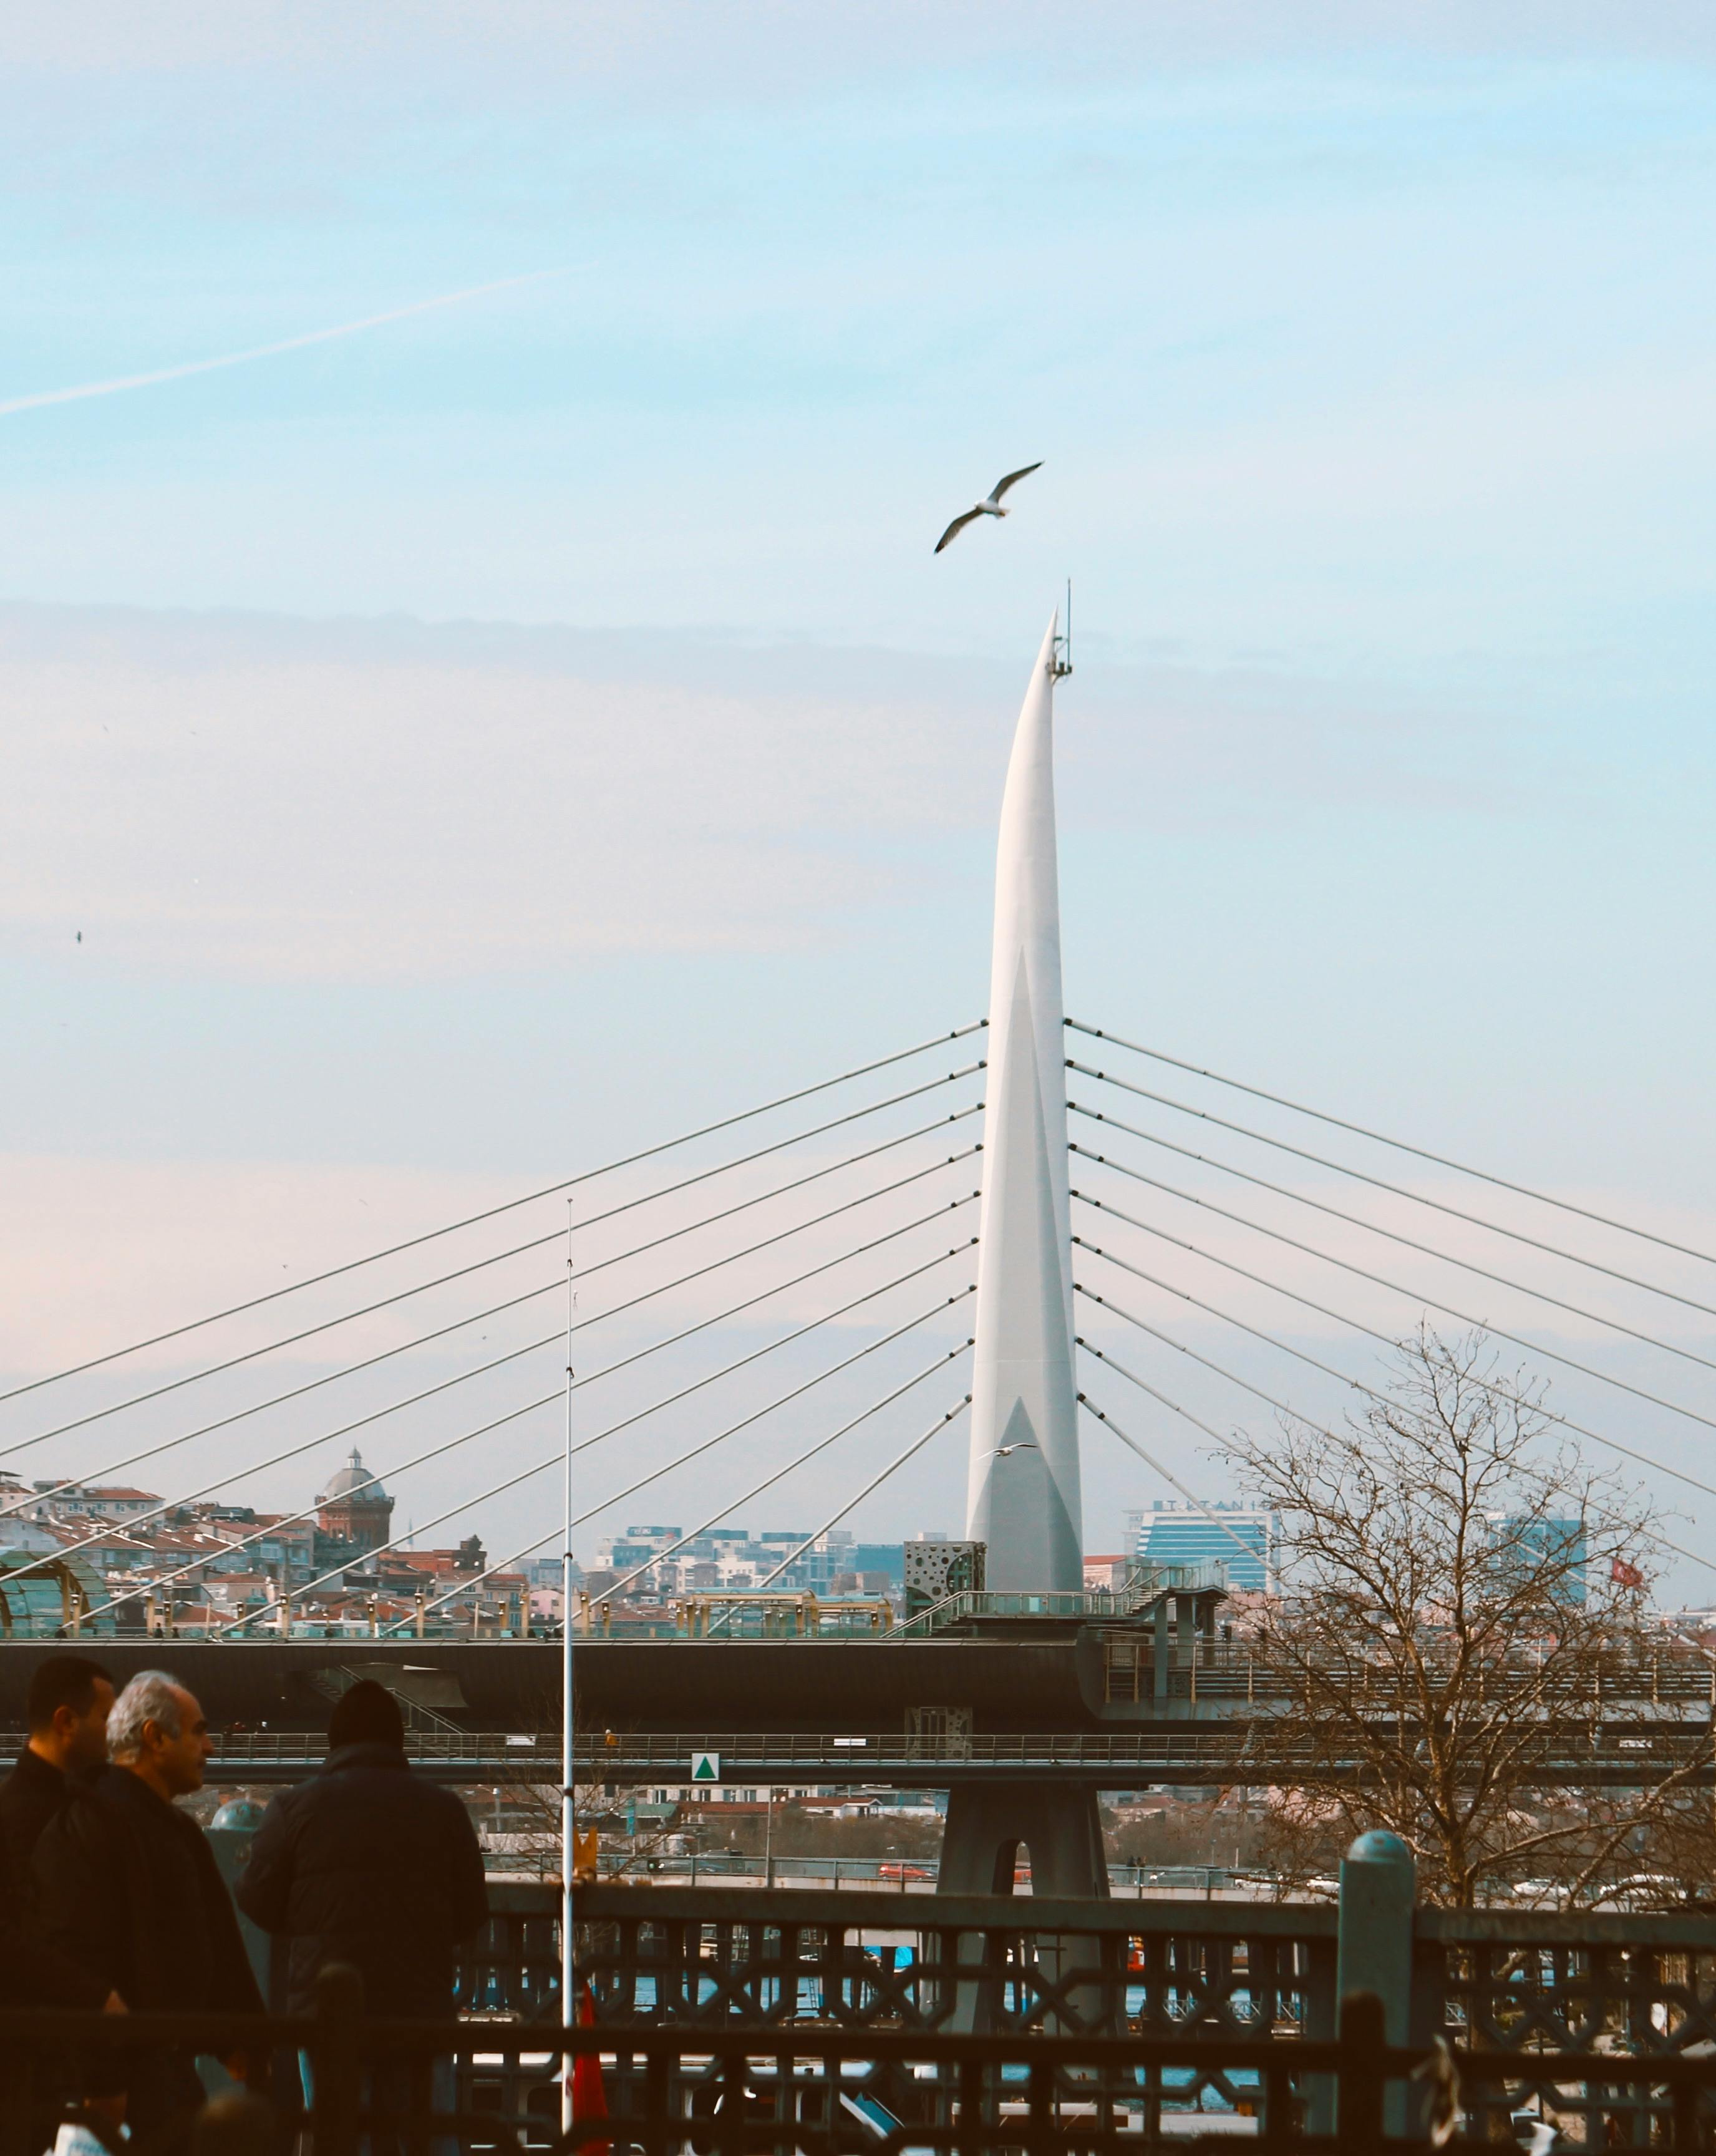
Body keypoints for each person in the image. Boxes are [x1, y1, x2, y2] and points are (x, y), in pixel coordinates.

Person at [236, 1681, 487, 2149]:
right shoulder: (443, 1809)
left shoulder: (292, 1808)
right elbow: (471, 1912)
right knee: (426, 2138)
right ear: (398, 1740)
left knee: (342, 2139)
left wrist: (310, 1925)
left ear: (334, 1741)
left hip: (329, 2012)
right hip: (419, 2011)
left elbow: (257, 1900)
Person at [34, 1671, 264, 2150]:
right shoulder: (133, 1830)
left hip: (144, 2074)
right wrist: (241, 2037)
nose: (210, 1748)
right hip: (122, 2089)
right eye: (198, 1731)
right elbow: (79, 1960)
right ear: (155, 1737)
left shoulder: (103, 1822)